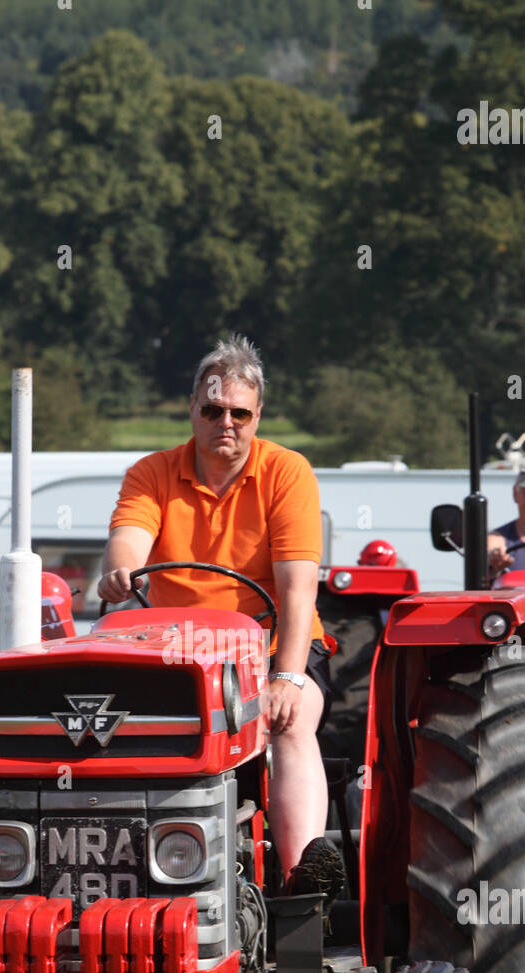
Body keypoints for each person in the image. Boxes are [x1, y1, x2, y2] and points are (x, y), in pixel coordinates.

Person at [98, 333, 344, 897]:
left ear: (258, 417)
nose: (225, 423)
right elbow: (128, 539)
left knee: (289, 719)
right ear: (192, 410)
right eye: (212, 410)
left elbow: (297, 589)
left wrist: (285, 676)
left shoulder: (287, 472)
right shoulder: (152, 472)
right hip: (172, 649)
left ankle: (301, 883)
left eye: (239, 413)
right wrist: (120, 569)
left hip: (269, 641)